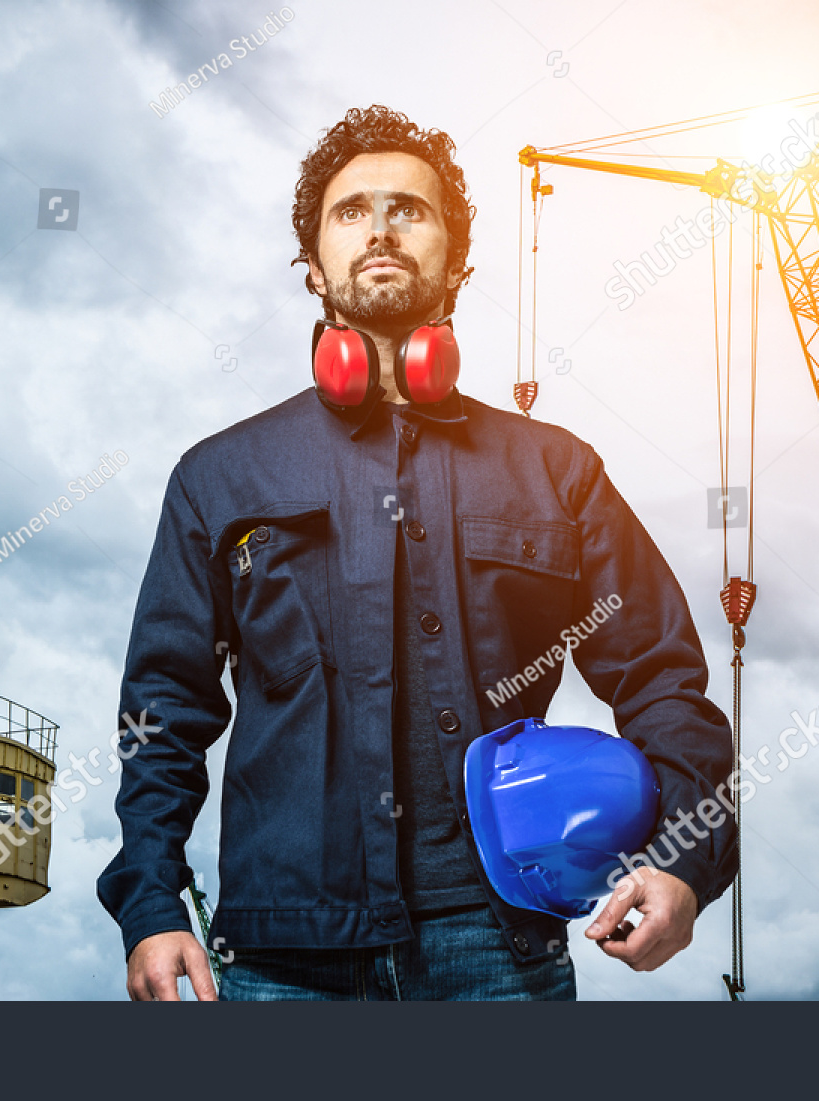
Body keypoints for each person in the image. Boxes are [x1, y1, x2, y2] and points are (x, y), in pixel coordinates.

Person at [97, 105, 736, 1001]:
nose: (383, 227)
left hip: (499, 952)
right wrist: (152, 903)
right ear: (313, 265)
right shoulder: (220, 477)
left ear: (458, 260)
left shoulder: (556, 471)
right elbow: (165, 707)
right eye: (352, 211)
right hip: (284, 962)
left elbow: (663, 677)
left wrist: (685, 859)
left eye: (411, 209)